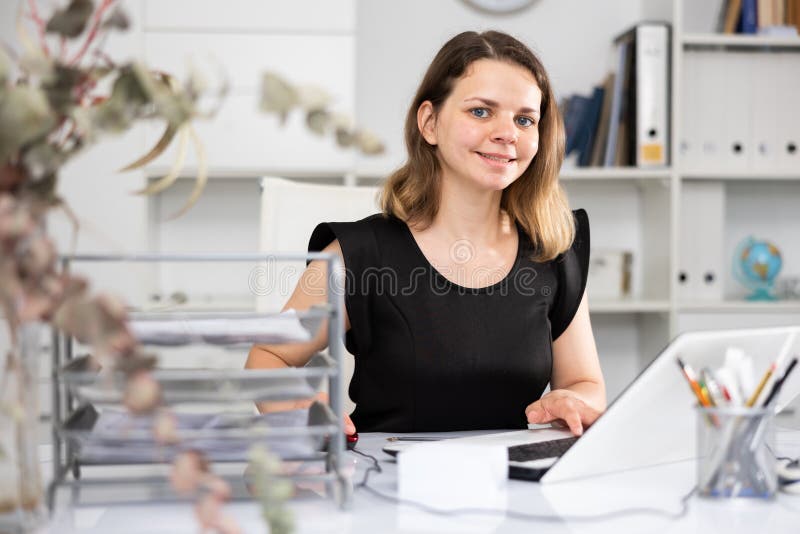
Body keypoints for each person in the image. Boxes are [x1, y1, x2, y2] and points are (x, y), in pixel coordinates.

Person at [247, 30, 605, 437]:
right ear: (429, 123)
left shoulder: (555, 249)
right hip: (383, 488)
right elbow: (267, 355)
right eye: (481, 112)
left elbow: (586, 385)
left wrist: (573, 402)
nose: (508, 133)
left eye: (525, 119)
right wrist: (298, 407)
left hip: (513, 490)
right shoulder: (358, 255)